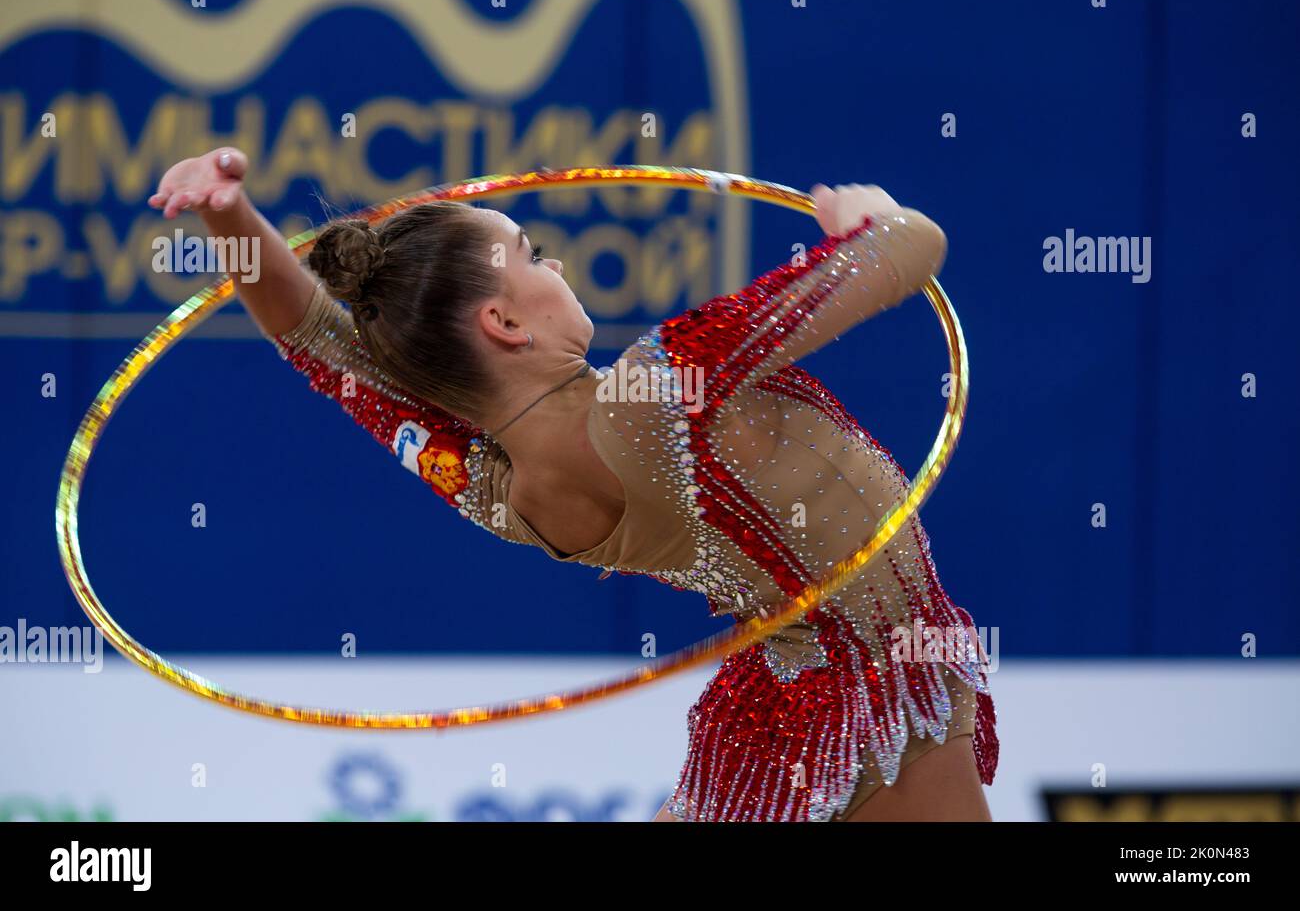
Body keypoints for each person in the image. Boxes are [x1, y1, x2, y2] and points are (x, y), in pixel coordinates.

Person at [149, 148, 998, 822]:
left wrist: (228, 213)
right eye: (530, 254)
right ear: (505, 322)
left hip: (782, 713)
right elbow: (913, 249)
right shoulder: (652, 390)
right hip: (878, 692)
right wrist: (868, 219)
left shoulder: (496, 488)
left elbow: (316, 339)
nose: (553, 261)